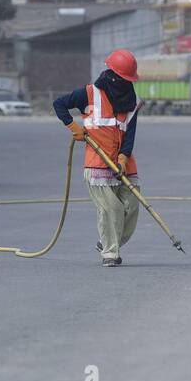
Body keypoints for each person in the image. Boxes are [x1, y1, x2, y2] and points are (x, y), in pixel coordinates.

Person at [54, 49, 142, 267]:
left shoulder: (132, 101)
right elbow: (59, 104)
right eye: (123, 79)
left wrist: (123, 158)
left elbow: (130, 134)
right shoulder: (89, 93)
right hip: (97, 163)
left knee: (132, 205)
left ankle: (107, 241)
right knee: (111, 209)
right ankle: (110, 253)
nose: (125, 84)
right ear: (113, 76)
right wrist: (73, 127)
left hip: (123, 163)